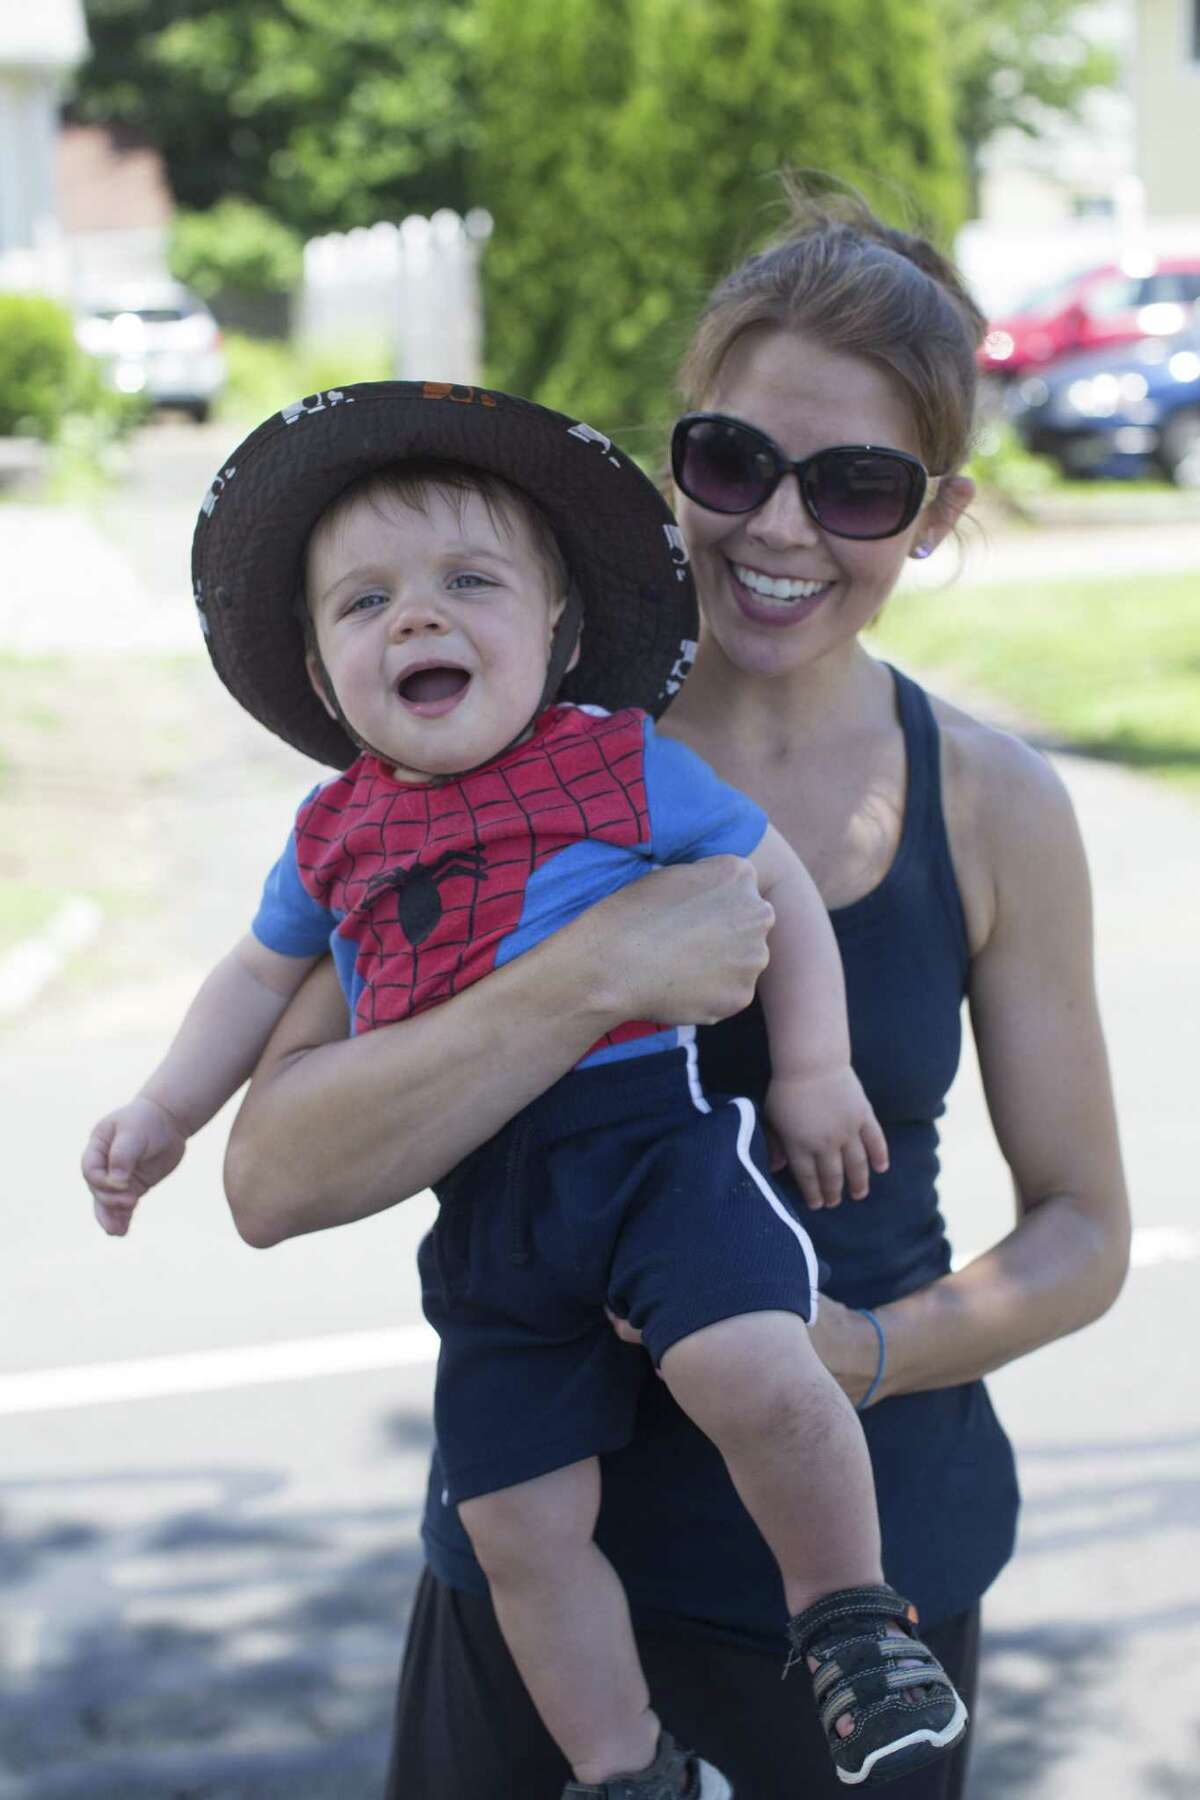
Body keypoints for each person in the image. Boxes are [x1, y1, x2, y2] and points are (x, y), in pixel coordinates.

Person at [221, 186, 1130, 1800]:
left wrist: (850, 1354)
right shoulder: (488, 754)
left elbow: (1080, 1235)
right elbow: (274, 1178)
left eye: (858, 488)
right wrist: (594, 975)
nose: (781, 529)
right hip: (547, 1567)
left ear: (936, 516)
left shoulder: (991, 801)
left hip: (874, 1592)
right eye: (733, 463)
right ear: (672, 463)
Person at [80, 380, 970, 1795]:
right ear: (321, 675)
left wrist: (811, 1066)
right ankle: (629, 1769)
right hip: (493, 1208)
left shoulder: (616, 768)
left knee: (760, 1366)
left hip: (653, 1153)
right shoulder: (335, 840)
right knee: (511, 1519)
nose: (415, 618)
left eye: (467, 584)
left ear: (555, 632)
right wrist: (161, 1114)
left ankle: (852, 1622)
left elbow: (774, 883)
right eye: (362, 603)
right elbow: (253, 986)